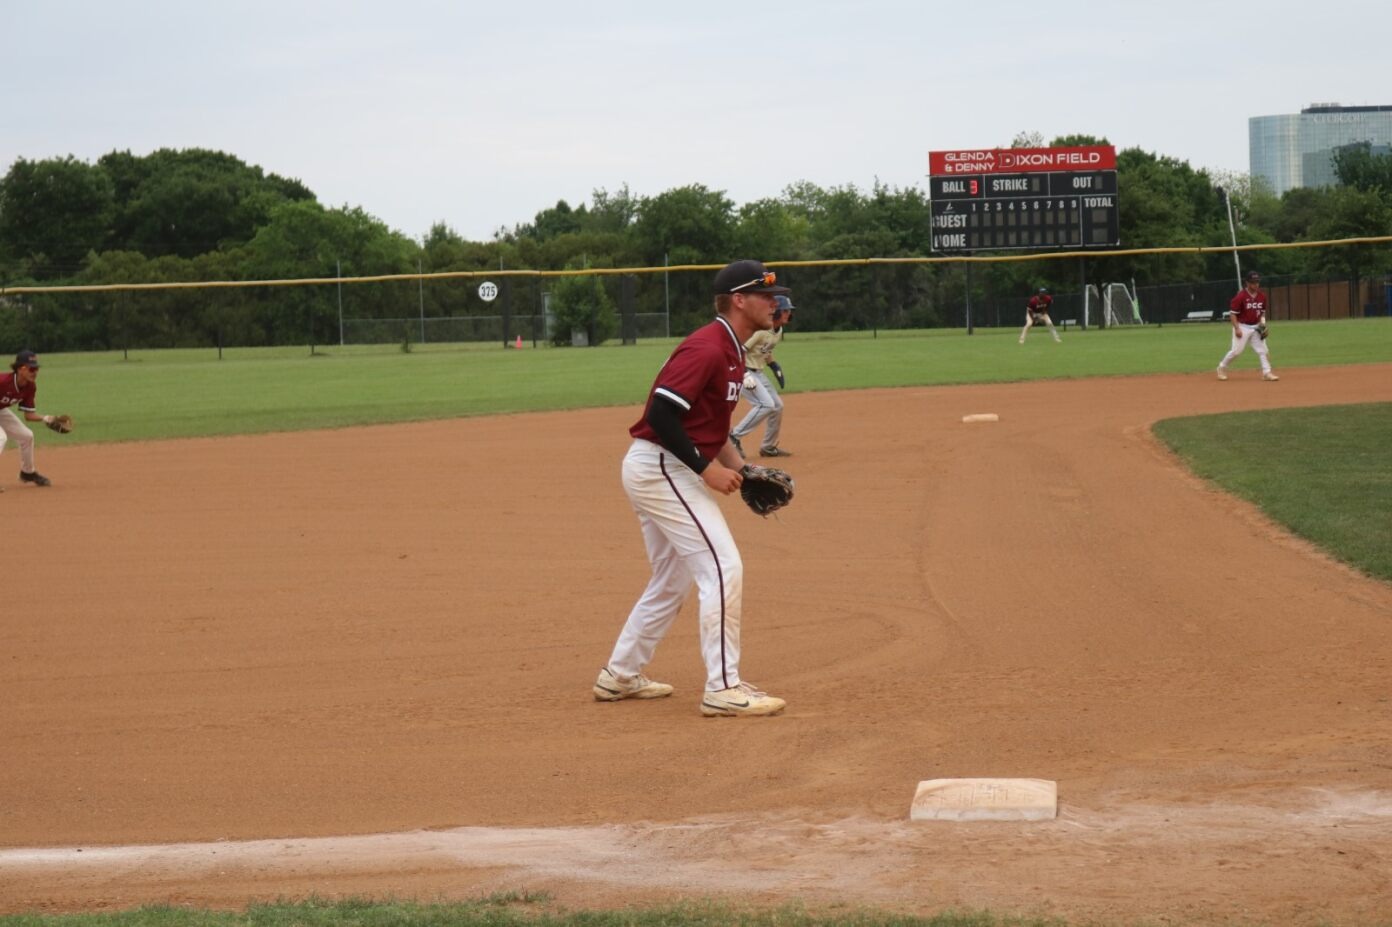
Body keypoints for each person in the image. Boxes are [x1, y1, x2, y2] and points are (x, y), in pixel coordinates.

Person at [593, 259, 789, 717]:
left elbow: (709, 425)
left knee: (673, 576)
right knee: (723, 568)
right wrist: (707, 470)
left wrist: (741, 468)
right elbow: (662, 413)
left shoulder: (734, 349)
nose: (773, 302)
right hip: (663, 466)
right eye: (764, 295)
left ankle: (620, 674)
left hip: (663, 465)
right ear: (738, 300)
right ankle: (723, 688)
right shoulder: (707, 347)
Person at [730, 293, 794, 459]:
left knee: (777, 406)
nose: (788, 314)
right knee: (765, 404)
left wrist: (774, 366)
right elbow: (739, 350)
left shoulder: (778, 331)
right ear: (777, 312)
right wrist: (743, 374)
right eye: (785, 310)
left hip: (758, 372)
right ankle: (734, 437)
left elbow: (766, 351)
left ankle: (768, 447)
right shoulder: (760, 331)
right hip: (743, 371)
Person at [0, 350, 59, 489]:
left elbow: (29, 415)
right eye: (32, 369)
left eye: (37, 368)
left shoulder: (30, 387)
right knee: (1, 438)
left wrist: (46, 418)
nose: (35, 372)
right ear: (21, 369)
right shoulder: (2, 382)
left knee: (27, 436)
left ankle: (27, 472)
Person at [1217, 270, 1278, 381]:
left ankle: (1267, 372)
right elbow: (1233, 314)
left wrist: (1263, 324)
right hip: (1242, 326)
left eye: (1257, 282)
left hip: (1256, 327)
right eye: (1253, 282)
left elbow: (1262, 312)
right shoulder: (1240, 297)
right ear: (1247, 283)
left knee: (1263, 350)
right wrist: (1237, 328)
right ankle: (1221, 367)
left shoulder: (1262, 297)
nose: (1256, 284)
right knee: (1236, 351)